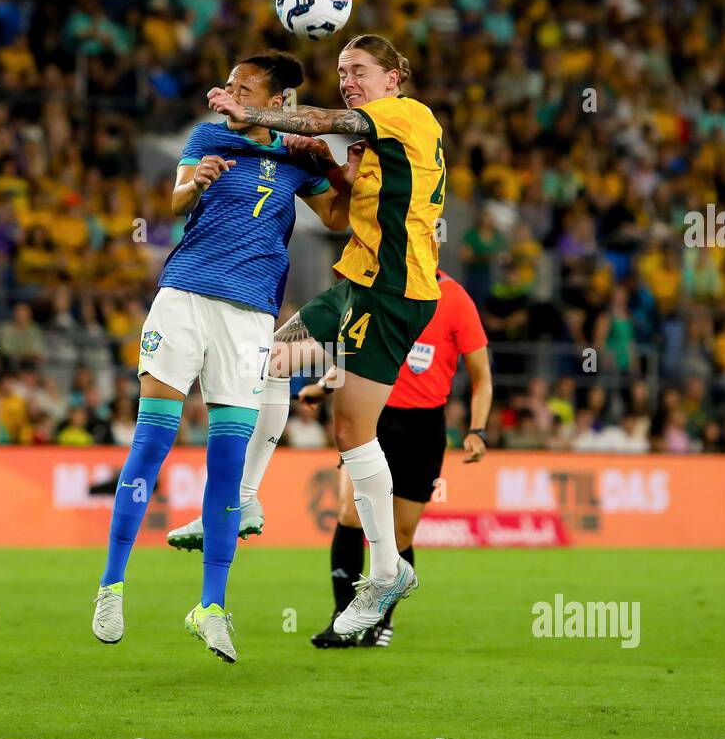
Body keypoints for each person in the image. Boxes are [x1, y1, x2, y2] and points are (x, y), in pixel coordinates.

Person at [92, 51, 353, 663]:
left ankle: (210, 606)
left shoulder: (295, 154)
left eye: (243, 87)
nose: (225, 93)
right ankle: (111, 583)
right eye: (228, 83)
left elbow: (340, 217)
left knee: (228, 459)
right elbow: (174, 204)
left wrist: (340, 170)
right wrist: (194, 184)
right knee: (151, 441)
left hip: (250, 316)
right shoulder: (210, 137)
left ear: (275, 101)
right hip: (183, 297)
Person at [205, 33, 445, 635]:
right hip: (358, 281)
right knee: (271, 360)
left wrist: (255, 114)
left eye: (360, 70)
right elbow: (345, 210)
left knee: (350, 428)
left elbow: (327, 117)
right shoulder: (373, 141)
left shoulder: (405, 115)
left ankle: (388, 569)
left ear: (393, 77)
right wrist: (328, 167)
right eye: (341, 70)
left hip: (393, 293)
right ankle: (249, 495)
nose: (348, 79)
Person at [169, 271, 492, 649]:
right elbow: (357, 347)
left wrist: (477, 429)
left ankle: (379, 620)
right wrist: (324, 386)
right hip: (373, 414)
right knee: (348, 514)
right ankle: (342, 617)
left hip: (421, 427)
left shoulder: (453, 299)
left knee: (401, 532)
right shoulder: (372, 280)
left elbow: (481, 375)